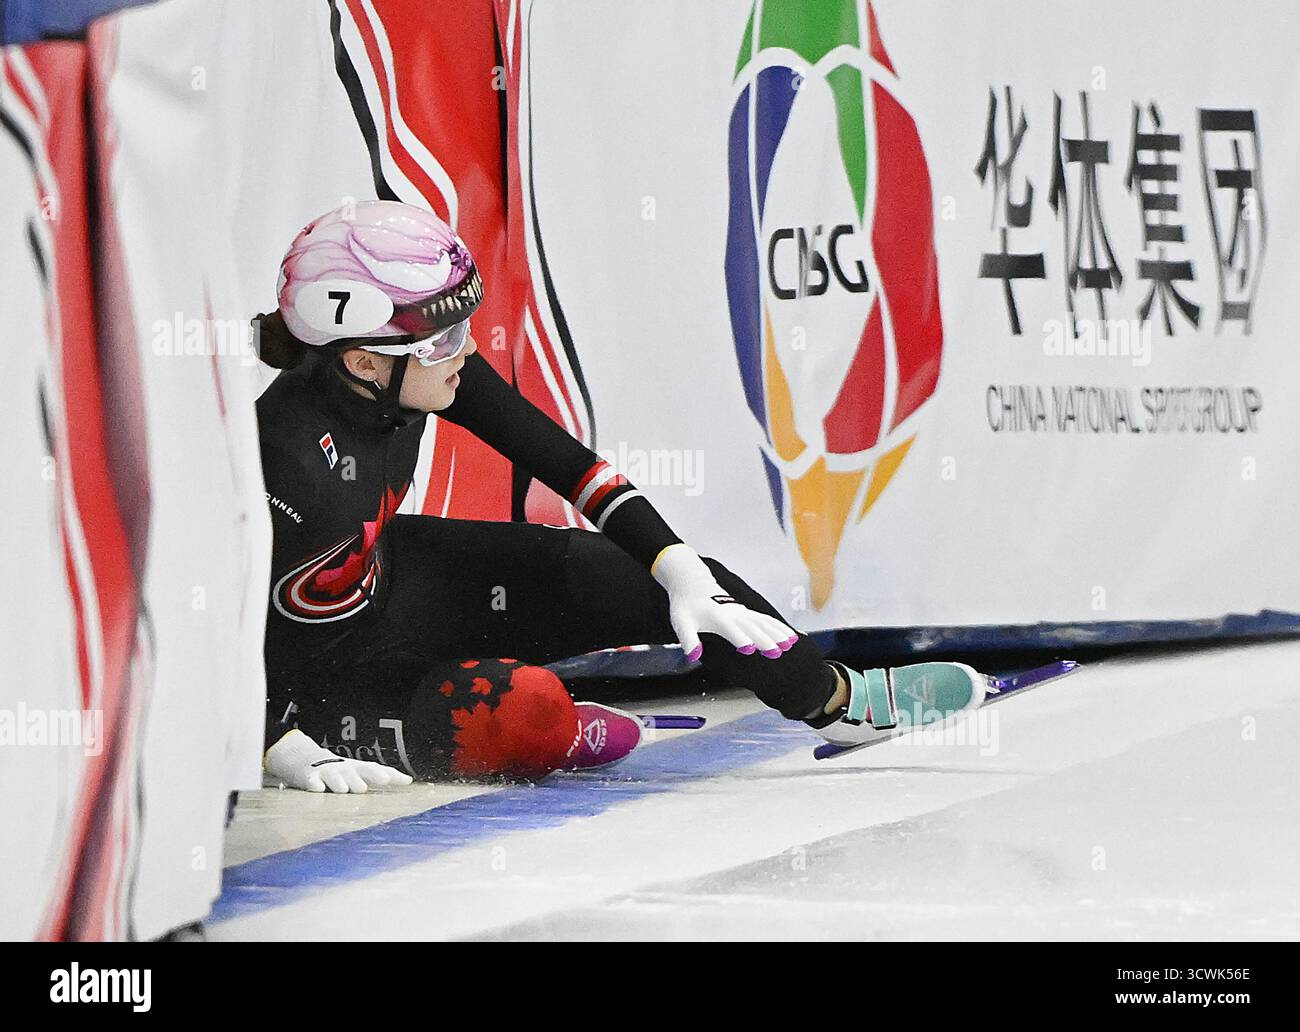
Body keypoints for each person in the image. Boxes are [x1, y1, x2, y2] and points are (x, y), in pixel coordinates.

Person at [254, 200, 983, 792]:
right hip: (310, 682)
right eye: (445, 340)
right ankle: (566, 727)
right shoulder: (287, 464)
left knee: (663, 574)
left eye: (465, 326)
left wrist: (675, 568)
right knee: (527, 717)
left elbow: (573, 469)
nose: (467, 351)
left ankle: (835, 699)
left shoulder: (410, 368)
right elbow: (209, 634)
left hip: (388, 584)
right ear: (359, 360)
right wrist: (272, 741)